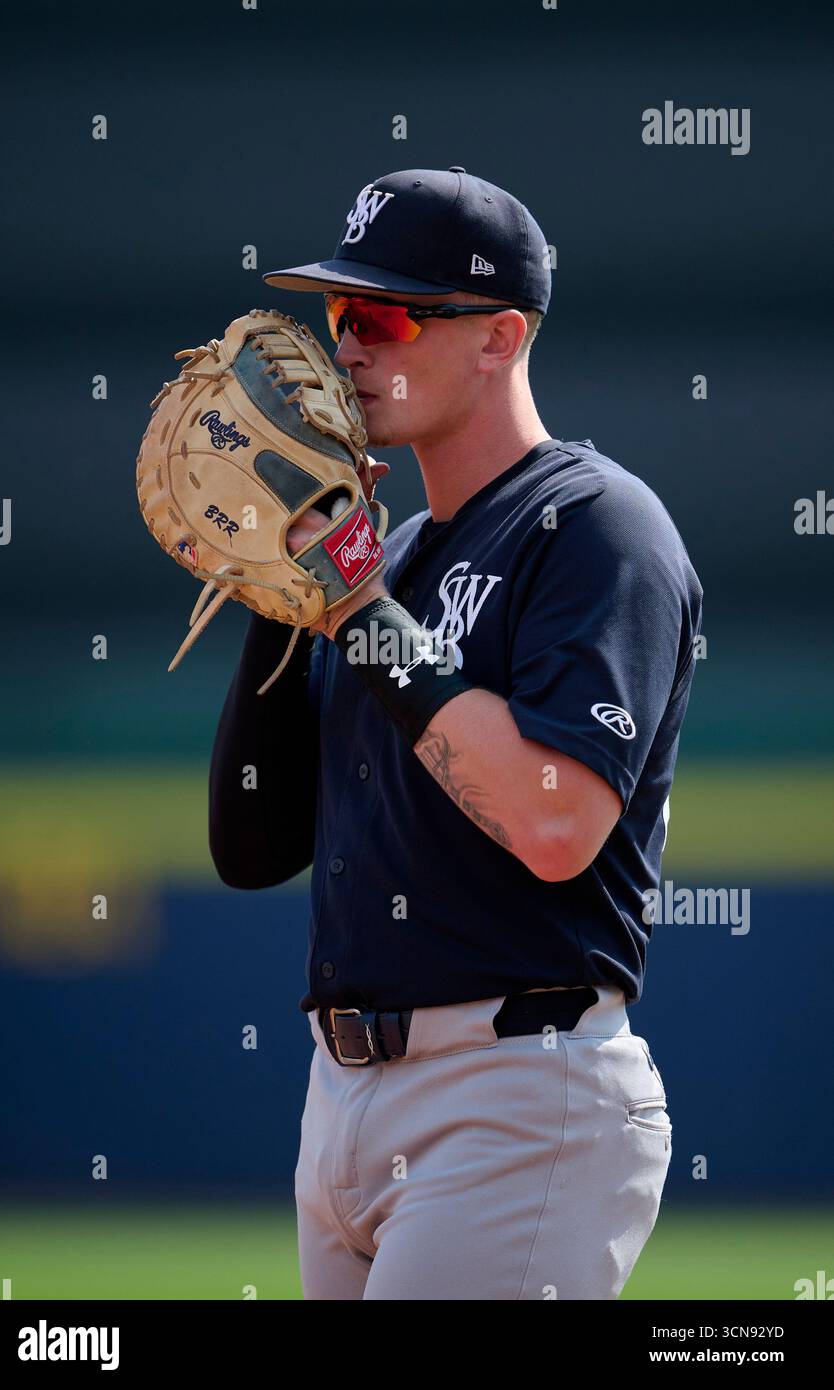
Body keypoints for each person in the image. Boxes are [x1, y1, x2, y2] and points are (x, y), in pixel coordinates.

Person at [208, 167, 703, 1300]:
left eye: (383, 317)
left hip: (516, 1092)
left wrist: (353, 612)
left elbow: (553, 819)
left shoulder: (592, 525)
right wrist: (272, 585)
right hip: (340, 1097)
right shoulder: (382, 558)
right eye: (339, 318)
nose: (346, 351)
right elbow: (251, 844)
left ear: (500, 336)